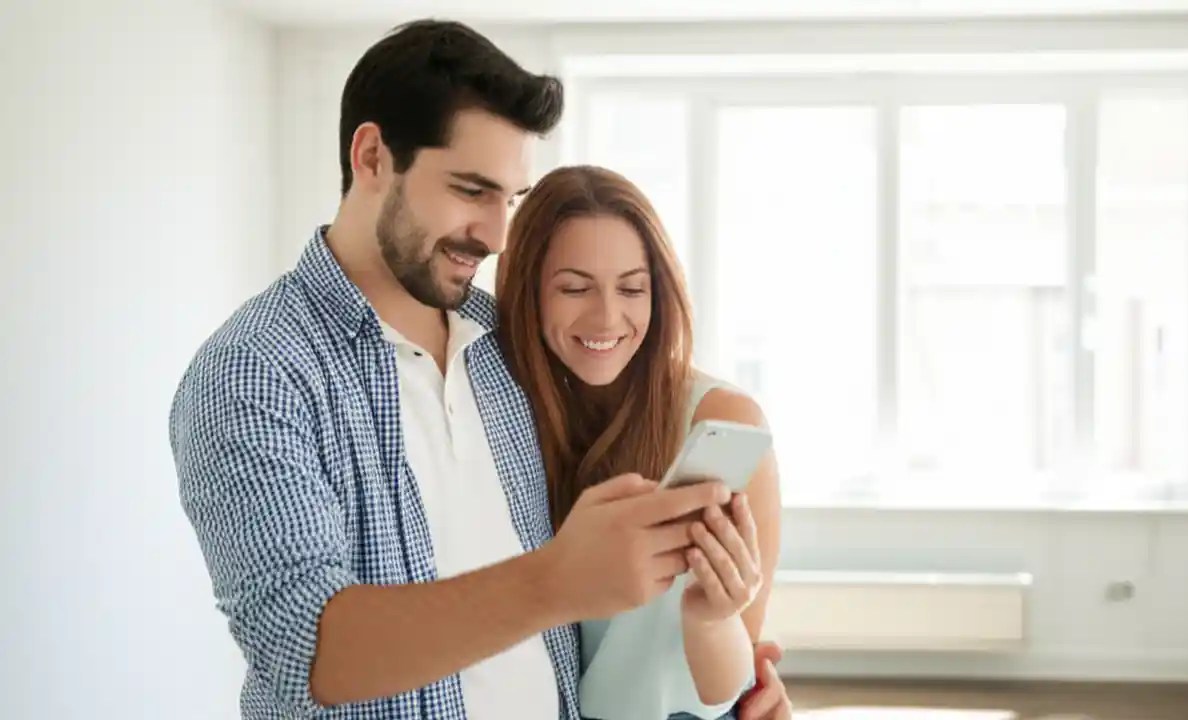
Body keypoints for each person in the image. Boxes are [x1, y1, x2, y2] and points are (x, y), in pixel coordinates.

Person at [168, 19, 792, 720]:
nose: (497, 236)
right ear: (372, 156)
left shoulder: (505, 342)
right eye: (471, 190)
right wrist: (557, 581)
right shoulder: (255, 372)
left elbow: (630, 379)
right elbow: (307, 650)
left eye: (509, 199)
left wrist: (731, 666)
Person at [495, 166, 783, 720]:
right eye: (574, 288)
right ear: (526, 293)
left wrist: (713, 614)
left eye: (631, 288)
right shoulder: (503, 415)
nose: (607, 316)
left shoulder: (720, 418)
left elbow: (735, 690)